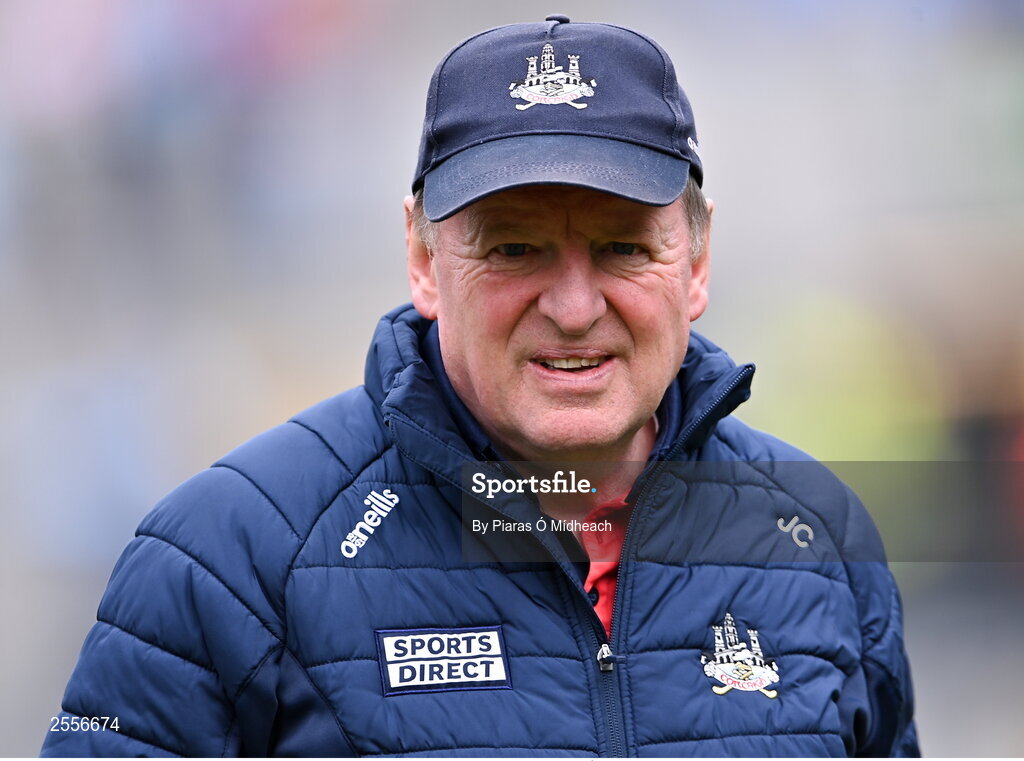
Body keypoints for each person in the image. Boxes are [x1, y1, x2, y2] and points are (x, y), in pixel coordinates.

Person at [43, 16, 918, 757]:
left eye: (622, 247)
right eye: (514, 248)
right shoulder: (229, 559)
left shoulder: (821, 542)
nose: (575, 309)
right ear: (425, 259)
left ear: (696, 260)